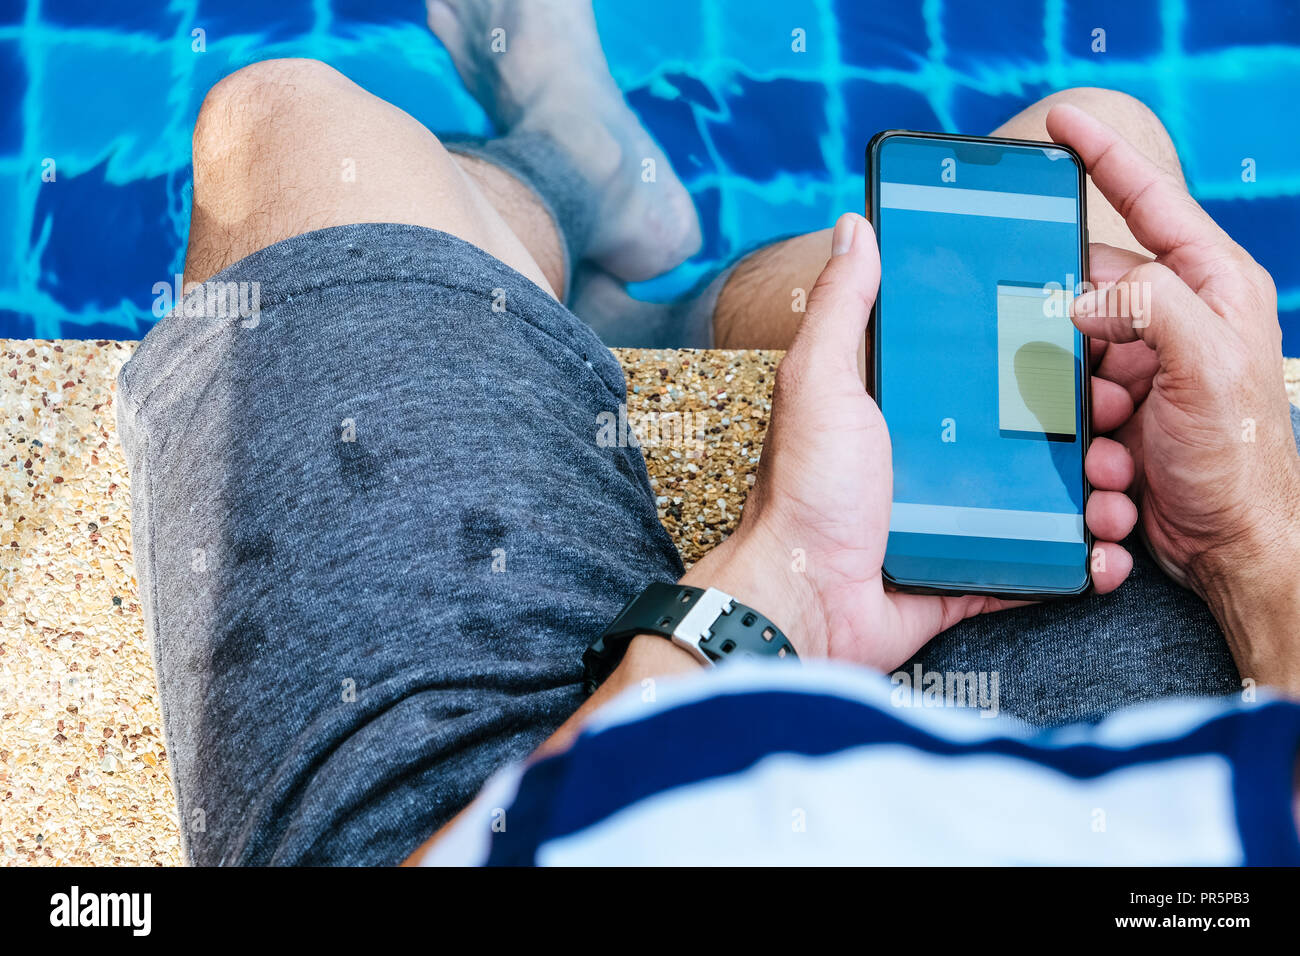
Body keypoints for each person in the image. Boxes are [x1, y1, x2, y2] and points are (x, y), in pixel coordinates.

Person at [116, 0, 1300, 865]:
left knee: (298, 134)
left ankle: (572, 179)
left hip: (516, 827)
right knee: (1089, 176)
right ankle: (657, 310)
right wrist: (1256, 547)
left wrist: (774, 594)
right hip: (1119, 785)